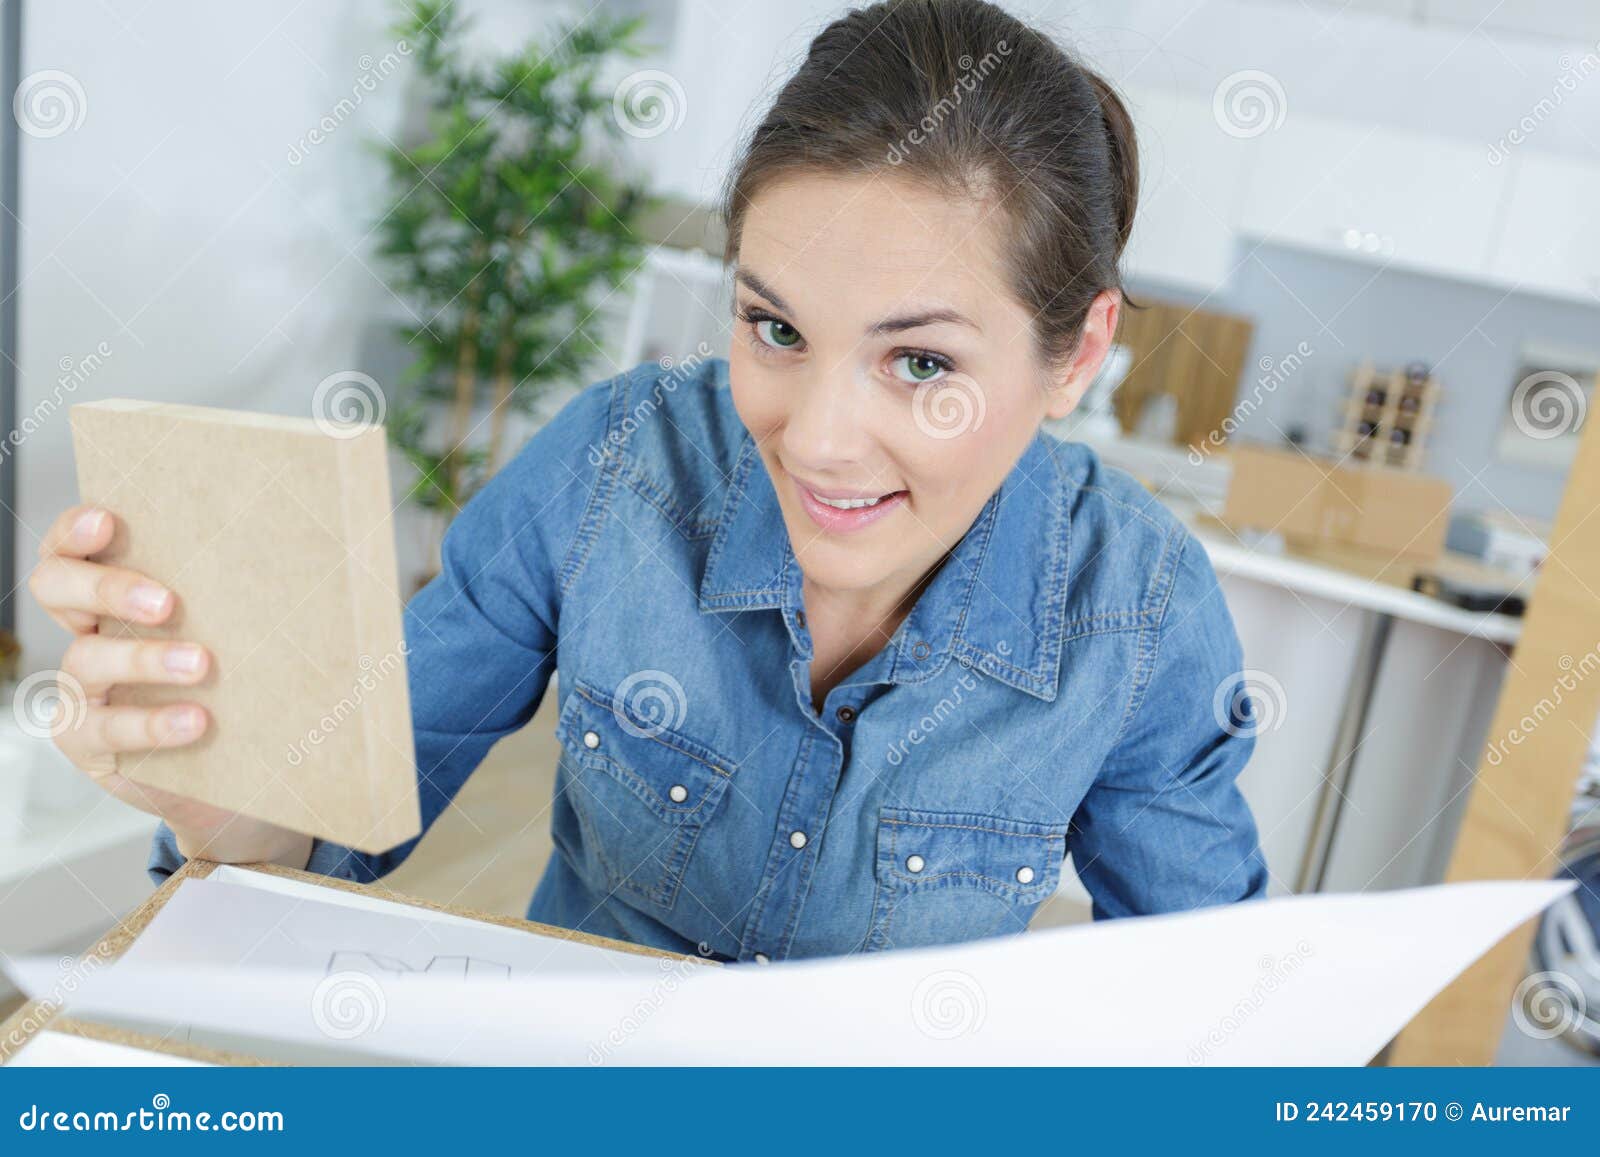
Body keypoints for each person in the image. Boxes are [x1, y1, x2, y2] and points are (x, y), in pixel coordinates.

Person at [29, 0, 1268, 962]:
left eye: (921, 362)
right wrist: (224, 804)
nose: (817, 440)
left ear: (1078, 355)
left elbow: (1220, 1012)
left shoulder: (1141, 610)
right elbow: (327, 833)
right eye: (776, 329)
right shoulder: (615, 466)